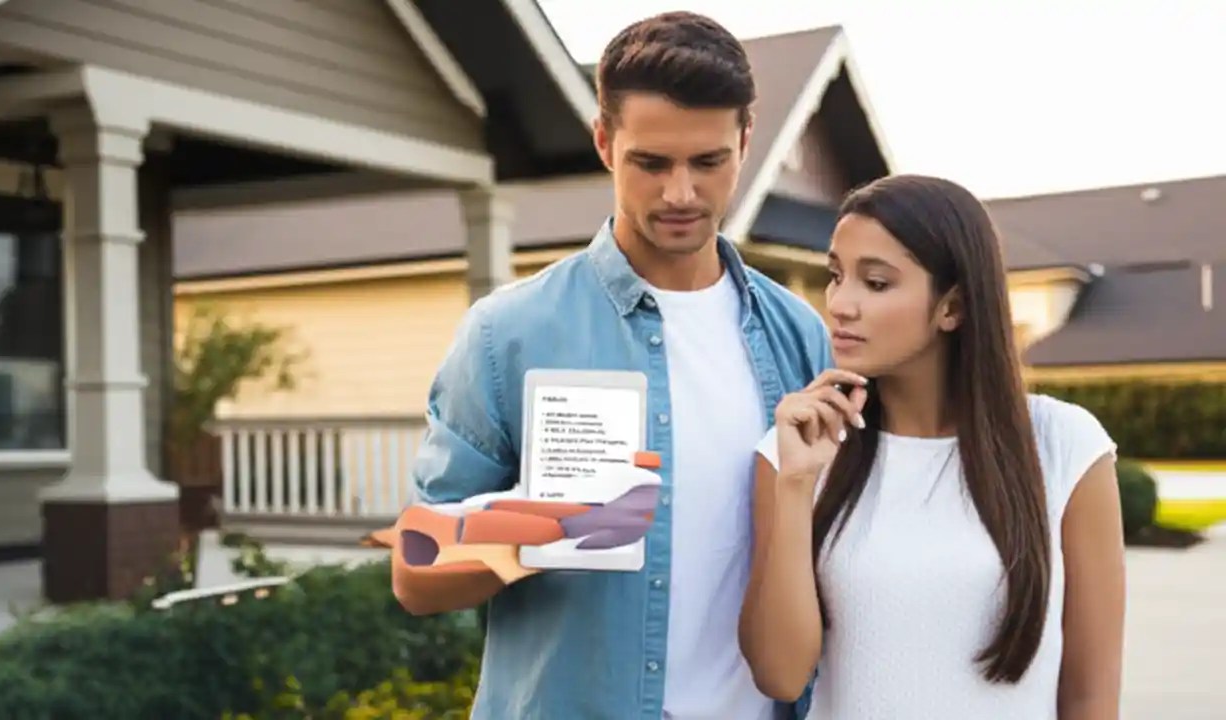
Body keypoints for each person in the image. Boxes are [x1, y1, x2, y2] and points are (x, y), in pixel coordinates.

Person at [392, 11, 832, 720]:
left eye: (708, 162)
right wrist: (540, 529)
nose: (681, 194)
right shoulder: (511, 334)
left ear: (745, 143)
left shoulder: (799, 337)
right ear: (605, 142)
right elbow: (416, 574)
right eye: (652, 163)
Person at [741, 174, 1127, 719]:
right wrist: (797, 485)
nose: (840, 304)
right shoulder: (795, 450)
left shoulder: (1066, 446)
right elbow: (780, 675)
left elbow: (1090, 697)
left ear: (953, 307)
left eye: (875, 283)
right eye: (835, 276)